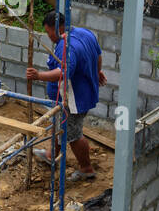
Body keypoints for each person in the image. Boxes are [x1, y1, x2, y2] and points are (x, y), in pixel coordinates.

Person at [26, 10, 106, 182]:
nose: (48, 36)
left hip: (74, 100)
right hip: (82, 92)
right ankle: (51, 154)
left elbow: (63, 72)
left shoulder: (66, 47)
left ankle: (86, 169)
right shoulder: (85, 33)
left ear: (56, 28)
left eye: (48, 32)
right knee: (59, 123)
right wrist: (97, 71)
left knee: (73, 135)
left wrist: (38, 75)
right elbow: (98, 54)